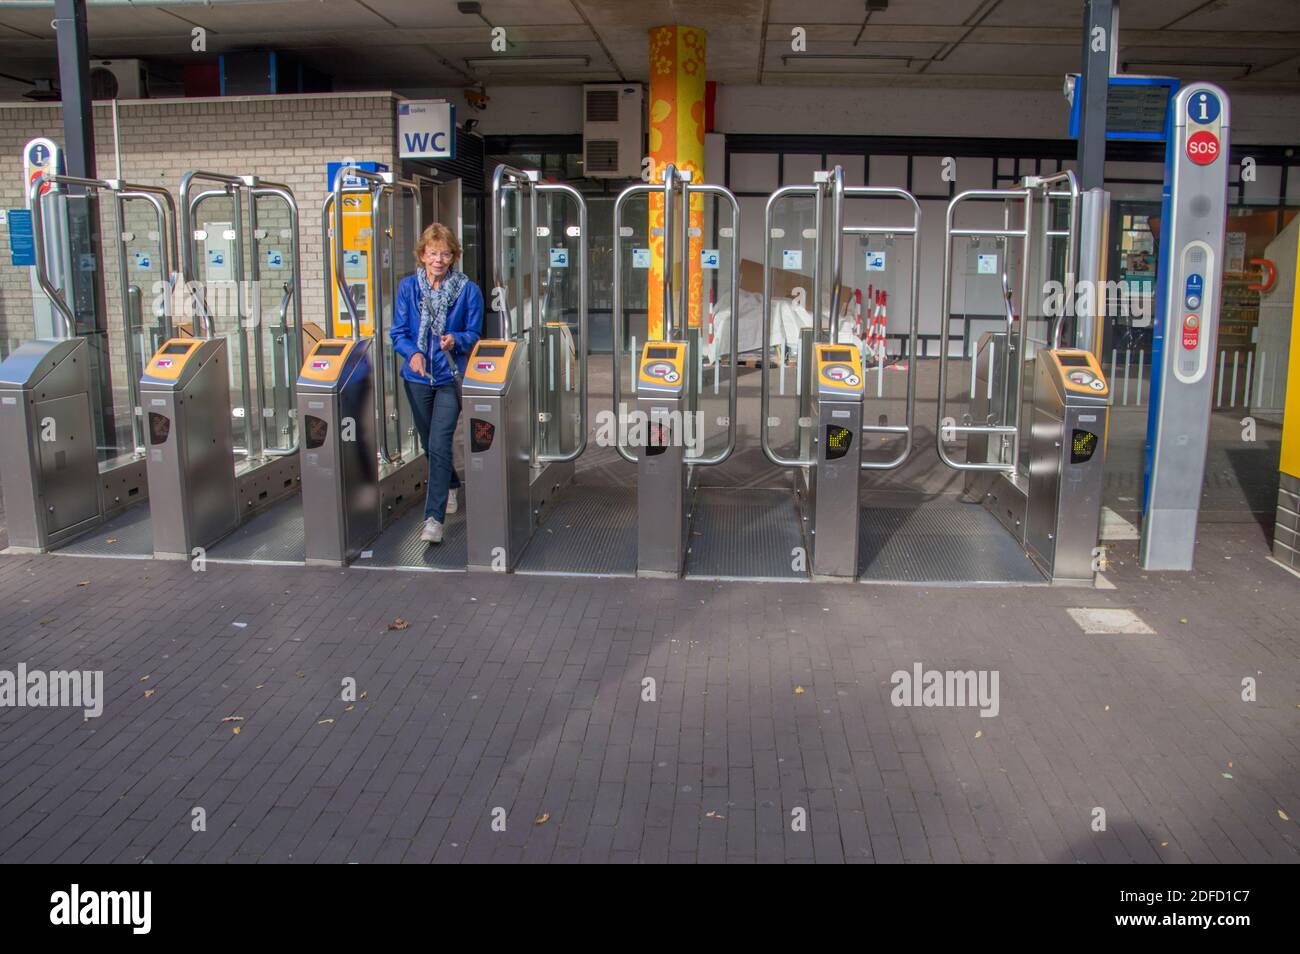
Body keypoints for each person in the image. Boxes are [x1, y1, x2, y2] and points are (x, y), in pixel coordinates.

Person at [391, 223, 483, 543]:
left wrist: (454, 340)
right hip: (417, 378)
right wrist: (412, 353)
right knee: (431, 444)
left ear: (454, 256)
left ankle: (433, 519)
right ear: (422, 255)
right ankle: (452, 485)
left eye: (445, 253)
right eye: (433, 253)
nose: (438, 260)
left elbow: (474, 336)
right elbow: (398, 333)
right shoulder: (408, 289)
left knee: (440, 442)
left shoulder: (468, 290)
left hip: (448, 377)